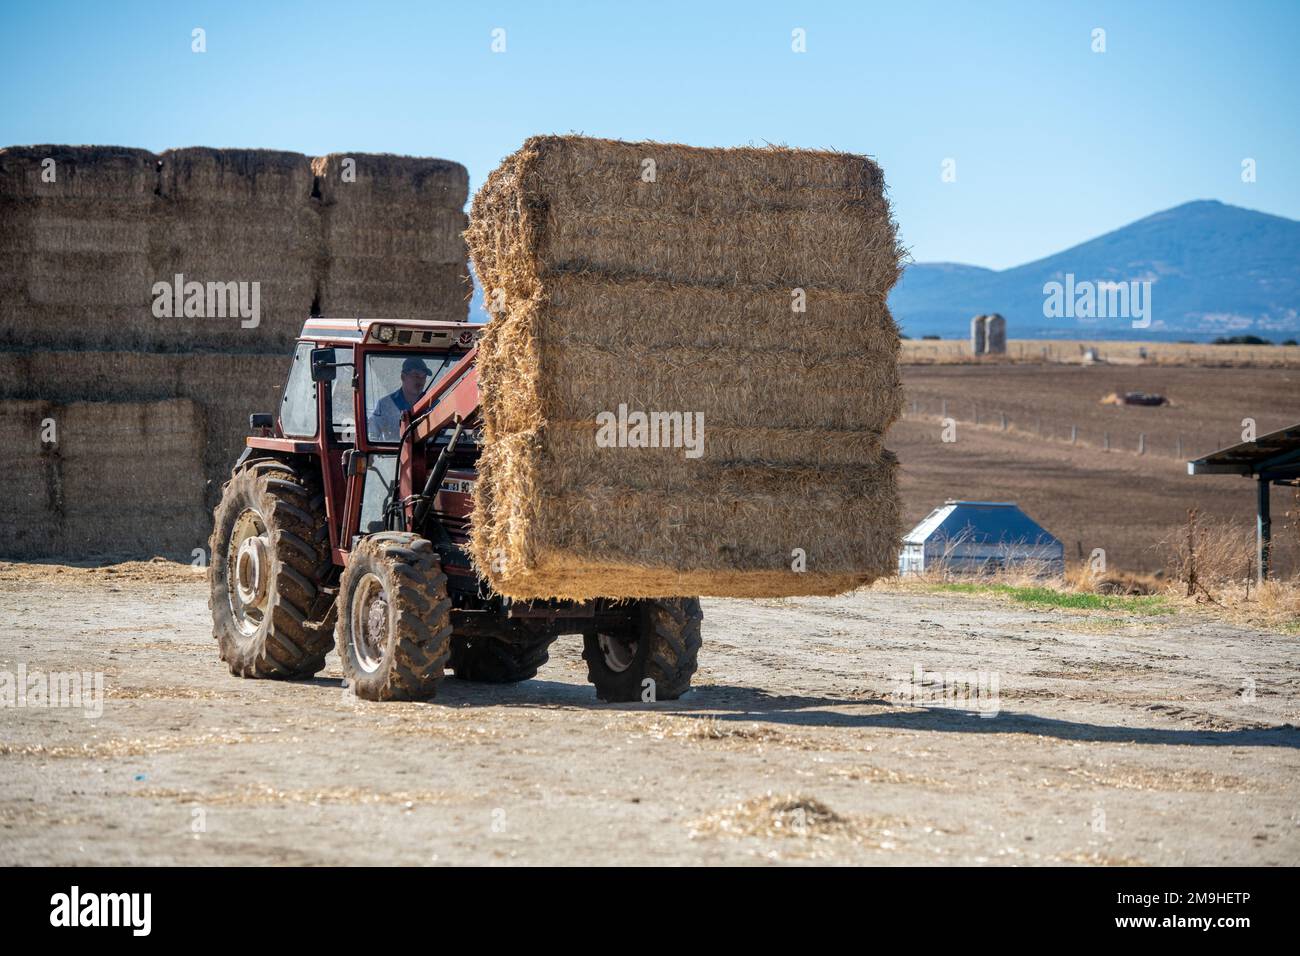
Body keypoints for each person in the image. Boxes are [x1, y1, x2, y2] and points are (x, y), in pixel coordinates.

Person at [367, 357, 432, 441]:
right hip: (394, 453)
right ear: (403, 377)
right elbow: (372, 434)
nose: (420, 381)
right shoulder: (385, 404)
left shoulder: (433, 403)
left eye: (424, 376)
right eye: (416, 375)